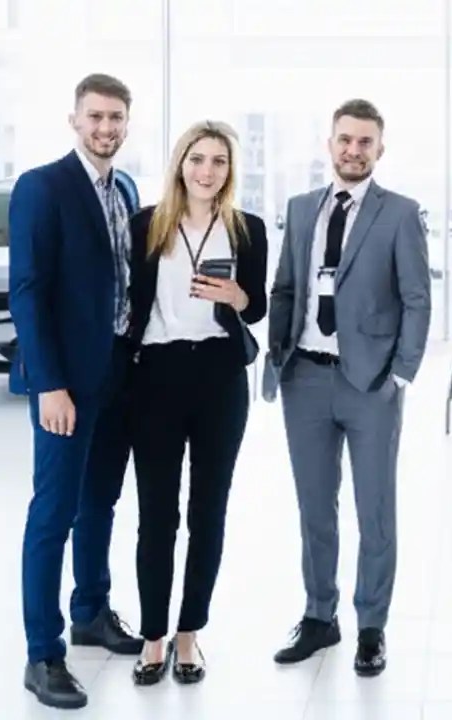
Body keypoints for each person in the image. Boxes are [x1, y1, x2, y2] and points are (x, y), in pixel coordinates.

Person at [263, 99, 430, 677]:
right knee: (315, 508)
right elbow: (285, 288)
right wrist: (277, 356)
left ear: (379, 150)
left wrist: (401, 372)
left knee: (375, 509)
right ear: (329, 144)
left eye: (365, 142)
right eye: (345, 140)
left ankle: (371, 627)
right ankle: (319, 616)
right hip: (304, 378)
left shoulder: (400, 213)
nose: (353, 150)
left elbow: (417, 298)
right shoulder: (301, 208)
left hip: (370, 383)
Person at [8, 73, 144, 710]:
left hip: (118, 372)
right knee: (54, 511)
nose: (106, 128)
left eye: (116, 117)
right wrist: (49, 384)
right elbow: (28, 292)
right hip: (66, 382)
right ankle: (43, 653)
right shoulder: (43, 187)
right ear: (74, 120)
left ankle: (90, 608)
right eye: (95, 117)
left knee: (101, 503)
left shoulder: (127, 189)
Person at [124, 121, 268, 685]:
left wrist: (238, 297)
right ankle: (153, 635)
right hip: (156, 376)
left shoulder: (247, 229)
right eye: (197, 159)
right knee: (157, 515)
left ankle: (189, 635)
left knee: (209, 512)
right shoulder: (146, 226)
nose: (207, 171)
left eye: (219, 162)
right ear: (180, 163)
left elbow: (255, 311)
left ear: (231, 170)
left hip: (219, 377)